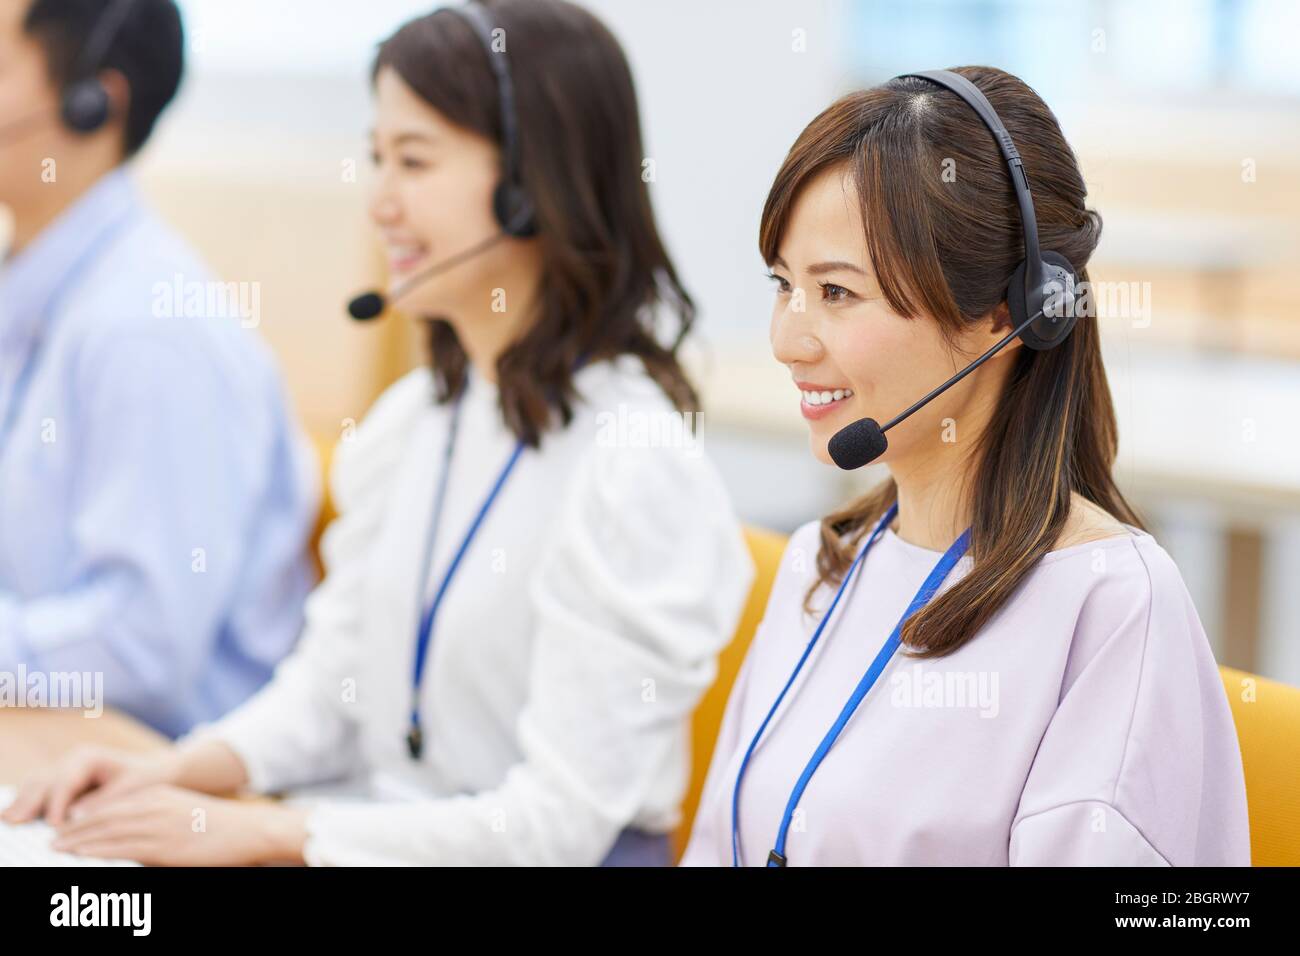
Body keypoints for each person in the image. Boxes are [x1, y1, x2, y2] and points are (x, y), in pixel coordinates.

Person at [6, 0, 754, 867]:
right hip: (369, 834)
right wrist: (168, 773)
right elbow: (331, 692)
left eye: (414, 161)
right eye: (376, 159)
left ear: (529, 184)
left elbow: (559, 826)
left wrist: (274, 832)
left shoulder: (634, 464)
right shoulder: (419, 423)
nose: (381, 202)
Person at [681, 66, 1250, 866]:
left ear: (1011, 313)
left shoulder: (1111, 607)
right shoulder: (822, 564)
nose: (787, 340)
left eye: (836, 292)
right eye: (784, 285)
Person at [0, 0, 317, 737]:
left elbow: (139, 646)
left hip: (153, 761)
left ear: (91, 102)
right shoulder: (35, 292)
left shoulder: (148, 327)